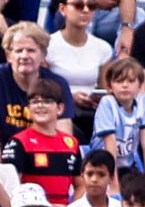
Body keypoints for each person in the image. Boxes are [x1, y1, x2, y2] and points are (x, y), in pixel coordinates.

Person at [0, 22, 75, 143]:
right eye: (18, 51)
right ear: (8, 56)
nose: (24, 56)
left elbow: (65, 138)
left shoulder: (58, 84)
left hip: (44, 154)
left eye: (31, 50)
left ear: (43, 55)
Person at [1, 77, 83, 207]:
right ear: (28, 108)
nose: (40, 105)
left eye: (47, 101)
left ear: (60, 108)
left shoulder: (71, 143)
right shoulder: (18, 143)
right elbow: (11, 188)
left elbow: (81, 185)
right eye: (34, 101)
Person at [46, 0, 113, 141]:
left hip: (91, 112)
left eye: (92, 6)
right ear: (63, 9)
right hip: (59, 109)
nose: (86, 10)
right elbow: (43, 87)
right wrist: (70, 97)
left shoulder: (103, 48)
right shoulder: (48, 45)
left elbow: (105, 89)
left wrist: (97, 98)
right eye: (78, 5)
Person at [88, 56, 145, 178]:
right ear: (110, 87)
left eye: (130, 81)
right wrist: (113, 180)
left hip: (127, 166)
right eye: (119, 81)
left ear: (140, 85)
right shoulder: (107, 103)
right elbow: (110, 142)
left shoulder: (142, 101)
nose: (125, 85)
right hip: (101, 165)